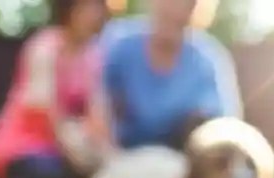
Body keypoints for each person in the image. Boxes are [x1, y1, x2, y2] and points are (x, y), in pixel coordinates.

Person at [0, 0, 112, 178]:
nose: (95, 15)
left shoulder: (93, 58)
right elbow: (42, 104)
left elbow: (97, 113)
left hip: (65, 151)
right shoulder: (46, 46)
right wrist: (72, 147)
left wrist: (105, 154)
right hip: (26, 148)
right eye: (88, 8)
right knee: (46, 175)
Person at [95, 0, 242, 153]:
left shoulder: (209, 61)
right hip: (114, 157)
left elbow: (224, 130)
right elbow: (94, 103)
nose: (174, 9)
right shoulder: (117, 42)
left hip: (184, 164)